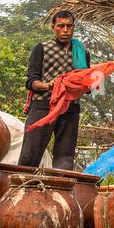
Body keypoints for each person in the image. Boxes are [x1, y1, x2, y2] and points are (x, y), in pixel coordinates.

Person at [19, 10, 90, 170]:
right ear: (53, 27)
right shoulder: (42, 48)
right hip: (43, 106)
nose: (65, 30)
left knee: (65, 158)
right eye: (61, 26)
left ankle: (59, 192)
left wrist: (89, 82)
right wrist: (49, 85)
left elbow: (87, 85)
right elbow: (32, 81)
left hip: (70, 109)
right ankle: (21, 190)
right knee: (30, 154)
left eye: (69, 26)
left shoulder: (82, 52)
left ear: (73, 27)